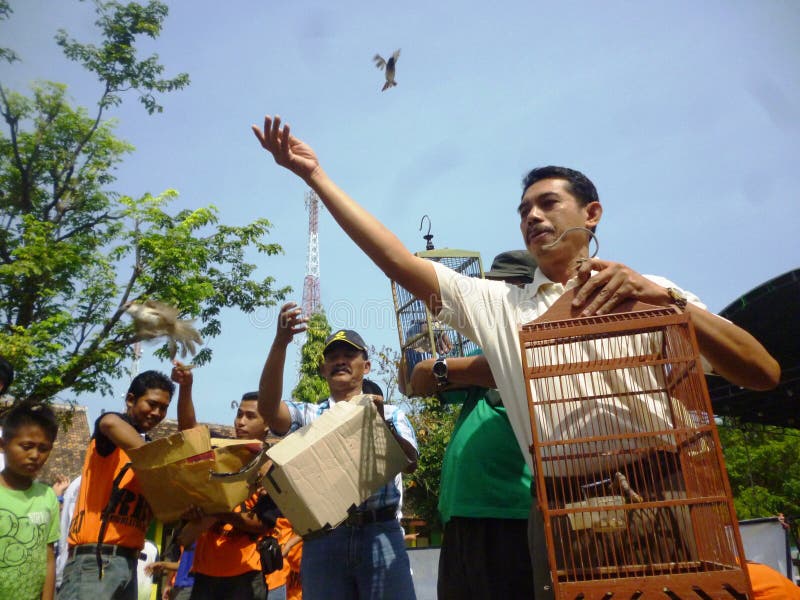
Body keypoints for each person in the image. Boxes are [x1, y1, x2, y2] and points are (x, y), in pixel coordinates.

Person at [252, 116, 781, 597]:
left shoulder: (652, 291)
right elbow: (397, 260)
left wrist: (666, 301)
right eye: (524, 210)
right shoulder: (500, 306)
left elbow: (761, 372)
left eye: (548, 203)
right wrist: (315, 176)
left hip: (665, 497)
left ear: (591, 213)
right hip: (560, 515)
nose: (532, 215)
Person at [258, 311, 419, 600]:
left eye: (349, 354)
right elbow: (269, 410)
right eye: (333, 356)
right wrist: (281, 342)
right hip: (324, 540)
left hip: (380, 532)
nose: (340, 360)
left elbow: (410, 463)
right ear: (323, 369)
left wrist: (379, 424)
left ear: (366, 366)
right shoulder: (308, 414)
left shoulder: (392, 413)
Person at [405, 250, 537, 600]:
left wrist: (442, 367)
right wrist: (427, 357)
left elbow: (506, 365)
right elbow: (423, 382)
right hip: (463, 517)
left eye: (504, 289)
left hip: (507, 518)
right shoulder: (486, 348)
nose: (491, 299)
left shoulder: (533, 339)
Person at [59, 365, 196, 600]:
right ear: (131, 400)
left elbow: (190, 438)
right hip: (96, 560)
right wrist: (162, 465)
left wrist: (186, 388)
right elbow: (110, 423)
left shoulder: (151, 453)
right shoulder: (112, 431)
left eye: (163, 408)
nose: (156, 413)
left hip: (129, 561)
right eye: (151, 404)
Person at [180, 392, 272, 600]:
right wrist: (186, 387)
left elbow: (262, 524)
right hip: (204, 572)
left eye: (250, 416)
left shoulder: (272, 467)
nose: (240, 422)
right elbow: (188, 432)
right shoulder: (218, 451)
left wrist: (220, 511)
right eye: (239, 414)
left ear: (268, 424)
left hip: (247, 574)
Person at [0, 402, 61, 600]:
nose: (35, 455)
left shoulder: (47, 496)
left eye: (43, 448)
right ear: (3, 445)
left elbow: (49, 557)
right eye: (27, 447)